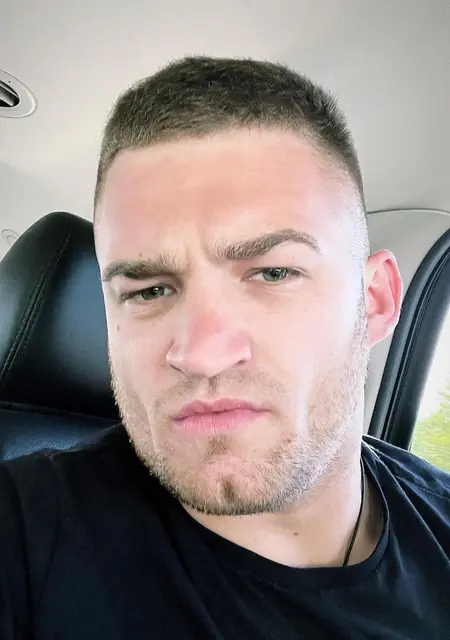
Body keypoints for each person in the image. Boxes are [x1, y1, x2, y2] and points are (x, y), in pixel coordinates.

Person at [1, 56, 449, 640]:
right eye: (149, 290)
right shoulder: (24, 531)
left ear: (377, 302)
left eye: (273, 273)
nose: (202, 354)